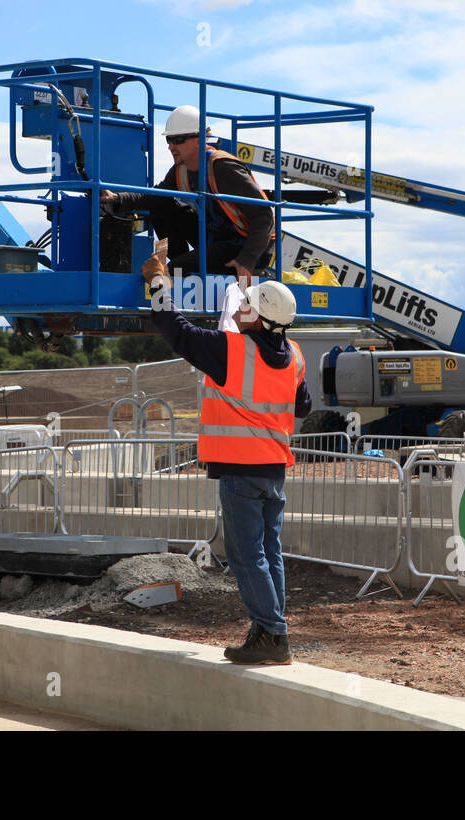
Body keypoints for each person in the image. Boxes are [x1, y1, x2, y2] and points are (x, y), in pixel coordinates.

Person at [141, 254, 310, 664]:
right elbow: (301, 406)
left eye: (246, 304)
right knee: (268, 553)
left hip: (241, 470)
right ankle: (267, 629)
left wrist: (158, 281)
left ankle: (272, 633)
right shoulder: (296, 355)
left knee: (246, 556)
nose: (240, 306)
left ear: (257, 317)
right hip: (273, 470)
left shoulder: (231, 350)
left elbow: (176, 331)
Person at [103, 105, 274, 282]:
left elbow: (264, 215)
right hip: (217, 238)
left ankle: (181, 266)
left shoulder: (224, 168)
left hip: (245, 245)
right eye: (169, 139)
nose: (170, 146)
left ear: (200, 139)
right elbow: (155, 196)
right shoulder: (180, 169)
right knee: (160, 204)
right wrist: (117, 199)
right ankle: (183, 262)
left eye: (178, 140)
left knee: (176, 268)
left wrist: (247, 260)